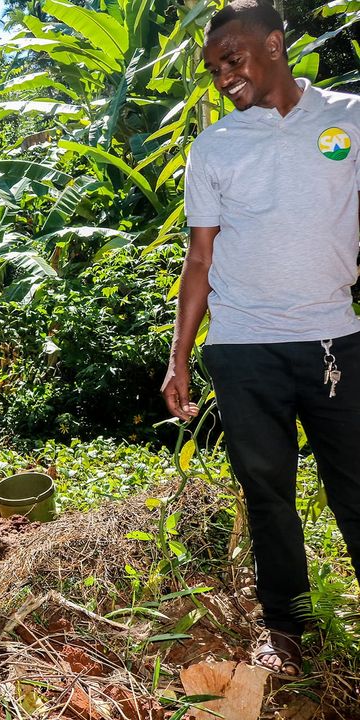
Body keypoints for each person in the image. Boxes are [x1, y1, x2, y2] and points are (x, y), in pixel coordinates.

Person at [162, 0, 360, 678]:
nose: (224, 75)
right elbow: (199, 259)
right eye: (215, 68)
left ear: (275, 44)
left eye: (233, 58)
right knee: (267, 491)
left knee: (356, 486)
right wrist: (179, 356)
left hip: (335, 338)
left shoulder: (349, 118)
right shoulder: (216, 145)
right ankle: (289, 625)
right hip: (243, 346)